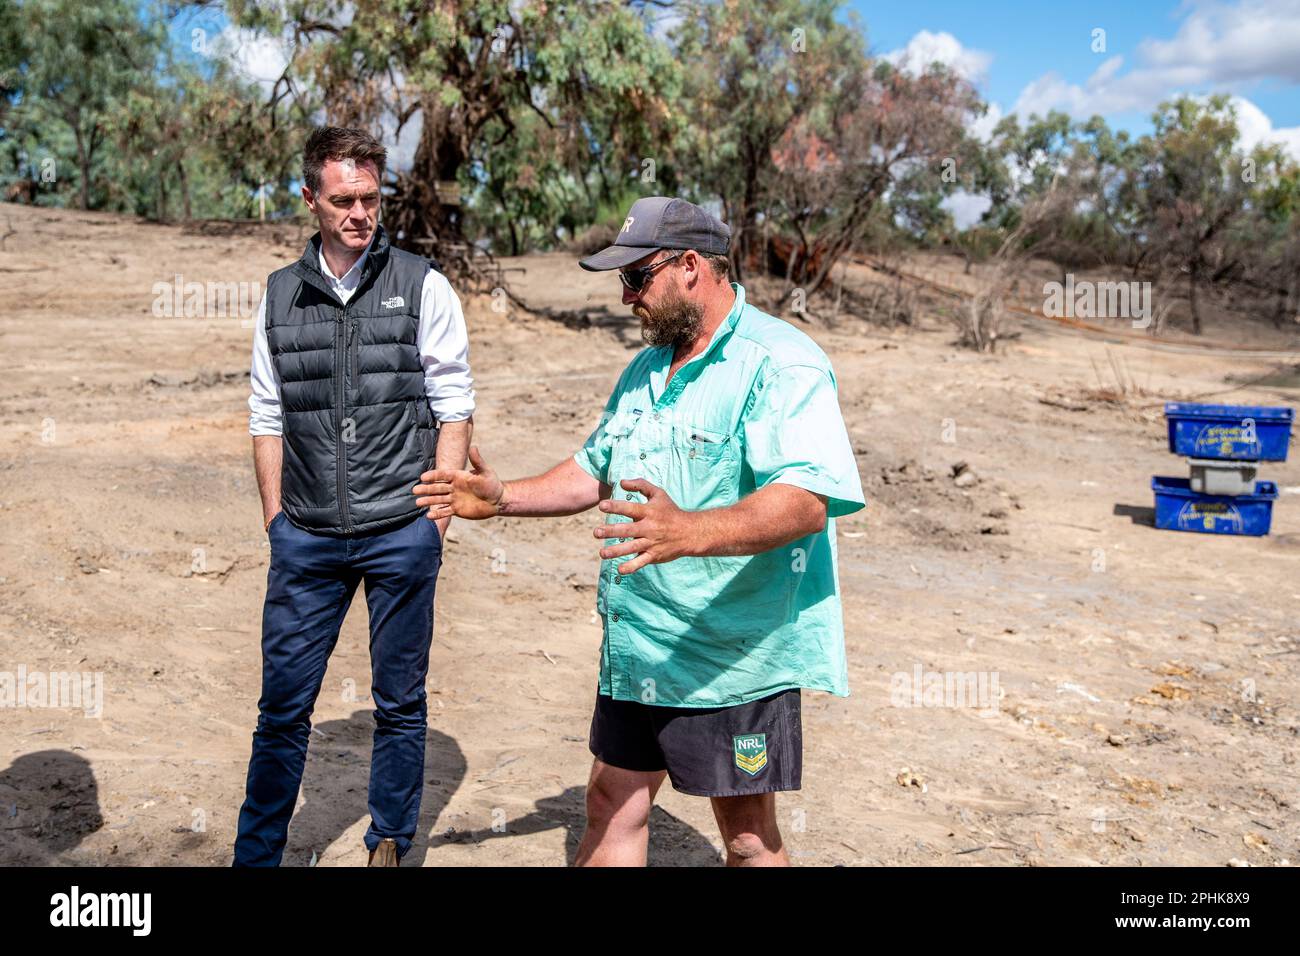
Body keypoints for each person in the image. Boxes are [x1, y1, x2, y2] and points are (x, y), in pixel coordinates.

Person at [413, 196, 863, 866]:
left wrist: (690, 531)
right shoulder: (647, 369)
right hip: (640, 647)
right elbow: (597, 469)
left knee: (746, 837)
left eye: (635, 278)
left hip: (728, 659)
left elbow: (806, 501)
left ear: (689, 267)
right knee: (611, 803)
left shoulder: (780, 361)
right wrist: (504, 497)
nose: (625, 299)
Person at [233, 126, 474, 867]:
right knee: (282, 713)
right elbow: (266, 414)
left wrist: (435, 518)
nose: (360, 212)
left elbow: (454, 401)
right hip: (304, 535)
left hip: (401, 529)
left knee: (399, 705)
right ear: (310, 199)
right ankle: (258, 854)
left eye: (371, 197)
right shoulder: (279, 294)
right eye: (343, 199)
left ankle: (389, 840)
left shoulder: (423, 284)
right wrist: (276, 520)